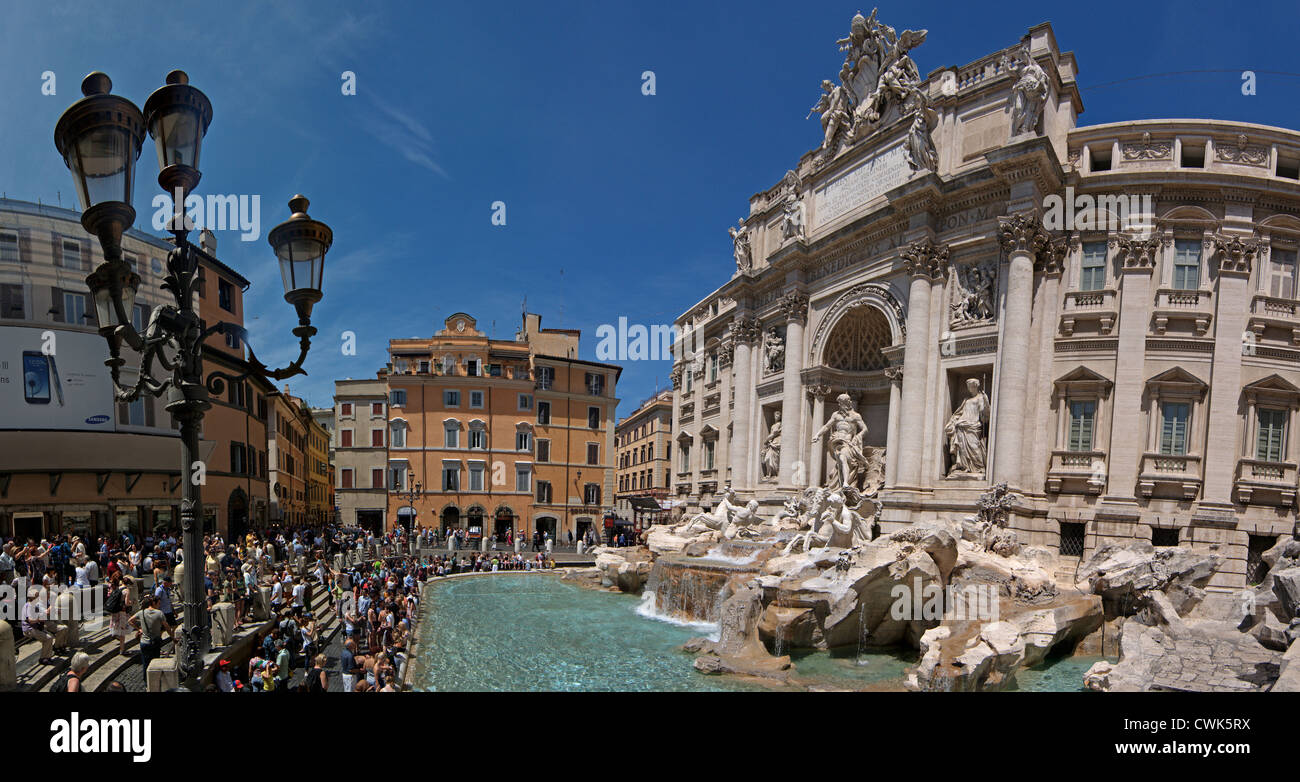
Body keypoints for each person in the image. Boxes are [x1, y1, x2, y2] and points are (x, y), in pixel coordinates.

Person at [129, 594, 172, 675]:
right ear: (153, 603)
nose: (159, 606)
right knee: (156, 663)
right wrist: (172, 637)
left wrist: (139, 629)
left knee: (146, 664)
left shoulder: (141, 612)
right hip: (155, 642)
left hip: (144, 643)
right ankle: (155, 680)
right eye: (158, 603)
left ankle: (146, 682)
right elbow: (167, 627)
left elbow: (130, 621)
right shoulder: (159, 613)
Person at [22, 586, 56, 665]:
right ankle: (43, 658)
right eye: (37, 595)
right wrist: (39, 619)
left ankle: (47, 657)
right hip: (29, 629)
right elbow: (30, 620)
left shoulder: (35, 605)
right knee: (48, 638)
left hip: (36, 627)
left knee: (50, 637)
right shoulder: (28, 606)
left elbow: (42, 613)